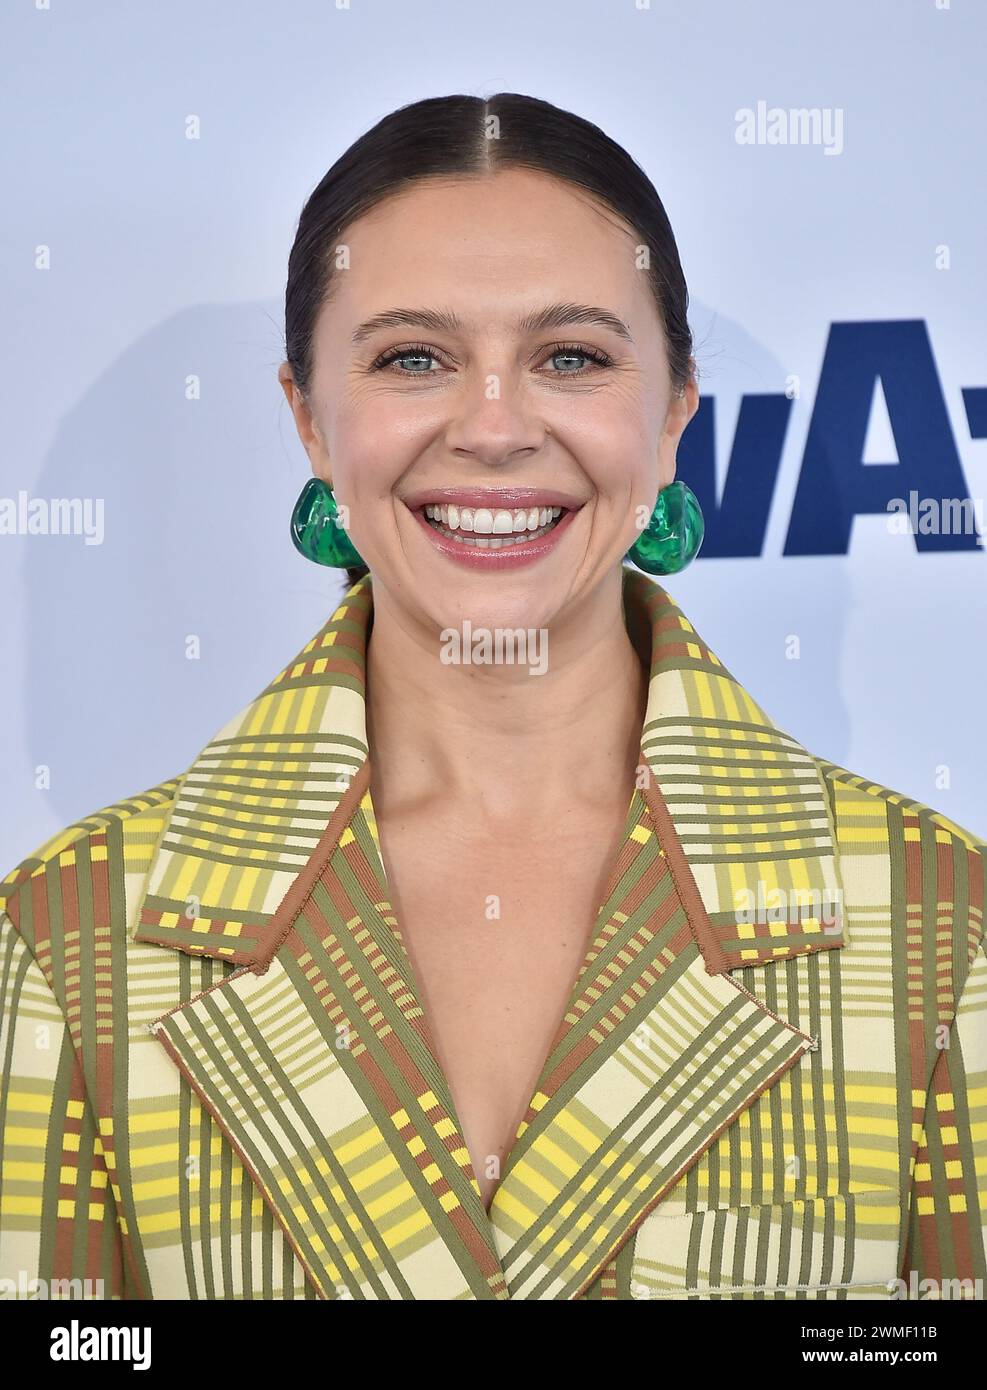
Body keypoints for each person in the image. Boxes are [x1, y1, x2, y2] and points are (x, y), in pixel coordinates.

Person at [1, 93, 984, 1302]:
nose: (495, 427)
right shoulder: (75, 933)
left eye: (571, 357)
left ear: (674, 413)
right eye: (413, 358)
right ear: (310, 420)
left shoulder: (939, 923)